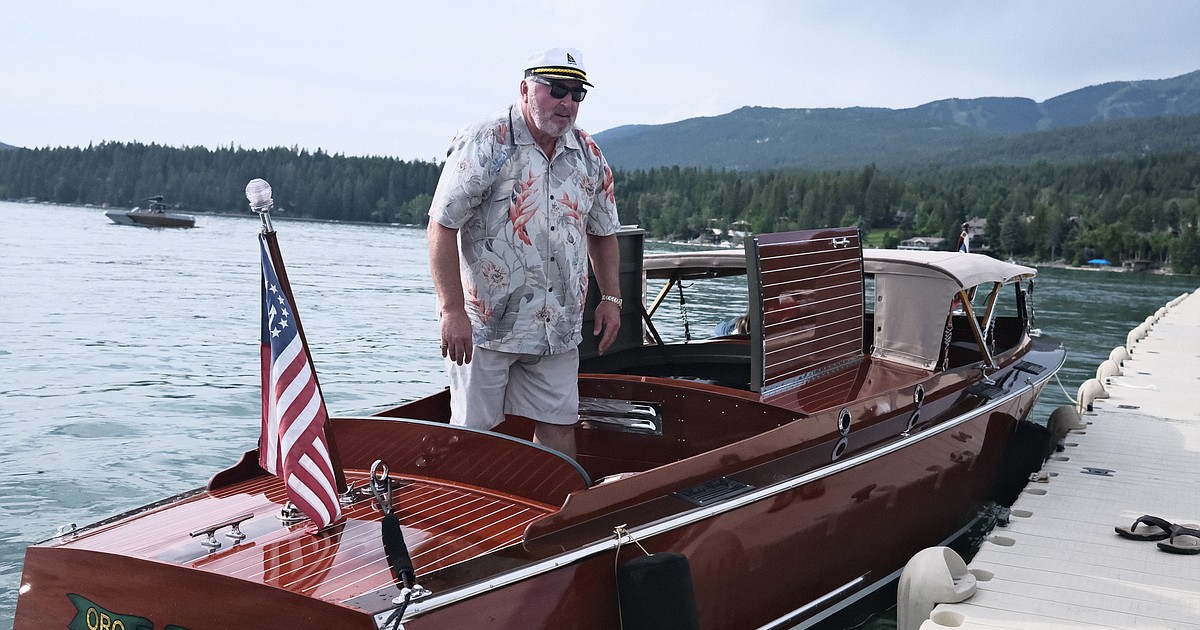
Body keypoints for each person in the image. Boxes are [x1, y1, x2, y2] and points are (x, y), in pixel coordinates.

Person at [427, 47, 622, 460]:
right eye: (556, 90)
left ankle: (550, 518)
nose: (567, 103)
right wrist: (451, 311)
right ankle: (469, 521)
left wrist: (612, 298)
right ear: (525, 88)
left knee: (559, 430)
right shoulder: (486, 141)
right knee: (473, 437)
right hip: (486, 328)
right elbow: (441, 225)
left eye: (576, 93)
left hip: (559, 329)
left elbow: (603, 233)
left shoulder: (589, 155)